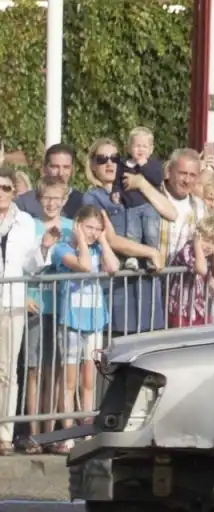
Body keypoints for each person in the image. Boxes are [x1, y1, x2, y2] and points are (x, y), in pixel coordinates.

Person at [81, 139, 174, 334]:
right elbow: (111, 239)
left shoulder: (135, 187)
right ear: (92, 165)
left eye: (115, 158)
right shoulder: (92, 197)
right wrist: (151, 252)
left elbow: (171, 213)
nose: (109, 163)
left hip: (147, 281)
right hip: (119, 285)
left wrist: (142, 184)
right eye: (102, 159)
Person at [46, 207, 117, 452]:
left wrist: (104, 240)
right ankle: (67, 435)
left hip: (94, 320)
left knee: (89, 381)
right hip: (71, 321)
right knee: (69, 381)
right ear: (78, 226)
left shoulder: (98, 247)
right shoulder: (63, 249)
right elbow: (85, 266)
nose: (93, 233)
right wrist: (81, 241)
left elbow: (113, 266)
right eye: (89, 227)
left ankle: (87, 432)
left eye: (97, 229)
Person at [18, 182, 69, 455]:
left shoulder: (72, 226)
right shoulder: (30, 226)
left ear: (65, 198)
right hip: (37, 305)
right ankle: (34, 434)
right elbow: (24, 264)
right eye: (46, 198)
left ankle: (51, 434)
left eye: (56, 198)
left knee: (56, 371)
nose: (51, 203)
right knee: (34, 369)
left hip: (64, 306)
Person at [0, 165, 38, 454]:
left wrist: (46, 247)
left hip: (11, 301)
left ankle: (4, 433)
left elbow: (32, 266)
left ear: (14, 191)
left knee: (7, 371)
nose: (1, 193)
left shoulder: (24, 221)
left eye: (6, 188)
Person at [17, 146, 83, 222]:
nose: (60, 173)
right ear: (44, 168)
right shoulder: (25, 203)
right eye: (55, 167)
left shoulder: (81, 202)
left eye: (66, 167)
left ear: (72, 170)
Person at [162, 150, 205, 263]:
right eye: (182, 173)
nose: (187, 180)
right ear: (169, 172)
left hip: (182, 279)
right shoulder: (154, 197)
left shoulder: (200, 207)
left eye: (192, 175)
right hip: (152, 278)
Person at [121, 129, 165, 211]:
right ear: (129, 148)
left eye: (144, 146)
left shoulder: (153, 164)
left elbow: (158, 179)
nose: (140, 149)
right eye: (137, 146)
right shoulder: (124, 165)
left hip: (150, 206)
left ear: (151, 150)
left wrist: (144, 166)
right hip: (130, 208)